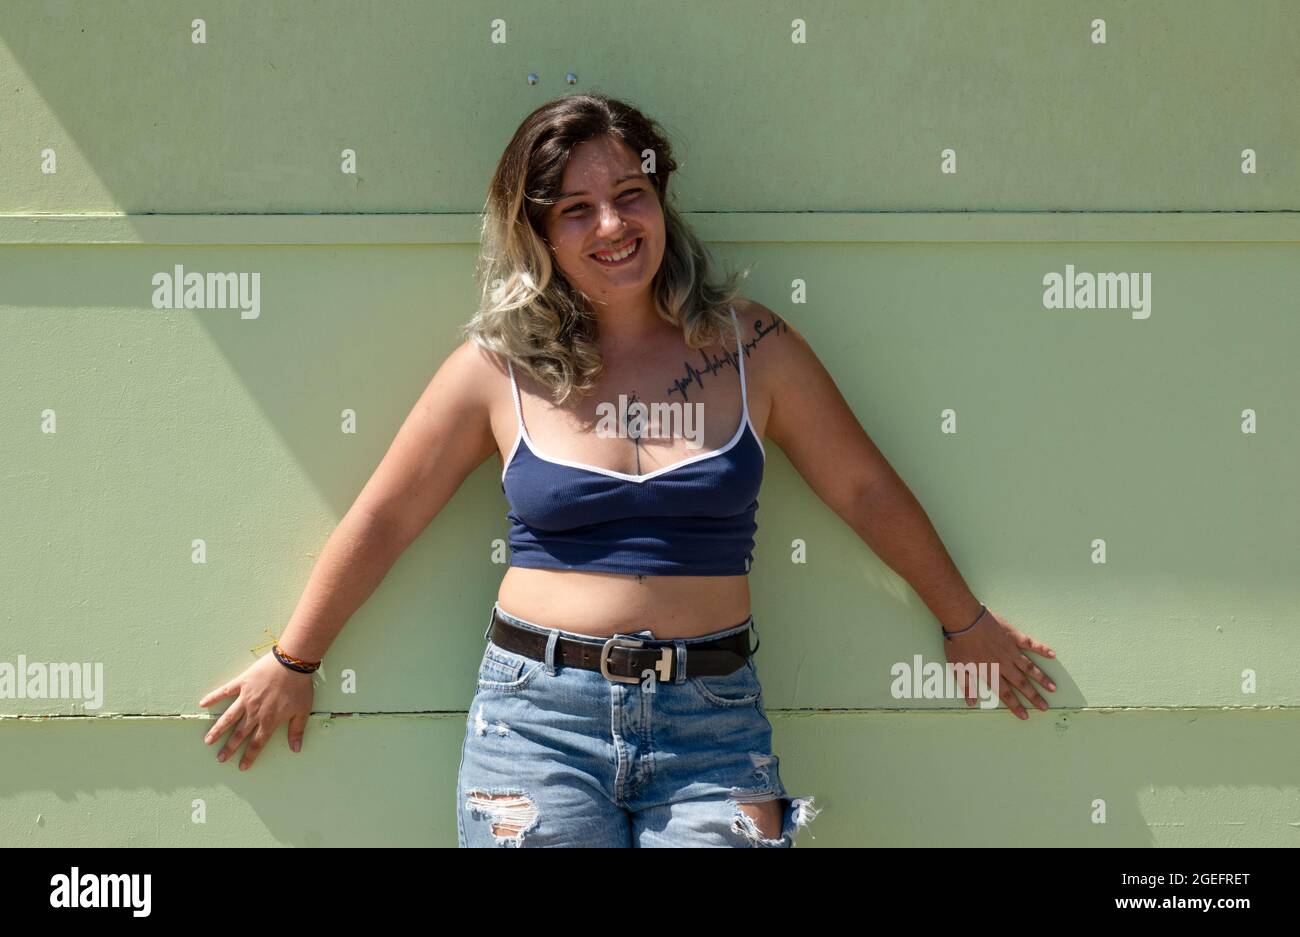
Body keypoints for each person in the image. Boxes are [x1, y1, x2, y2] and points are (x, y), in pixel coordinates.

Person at [199, 93, 1057, 847]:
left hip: (713, 723)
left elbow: (864, 488)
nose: (611, 226)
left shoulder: (752, 347)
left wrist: (962, 619)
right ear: (537, 231)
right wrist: (295, 658)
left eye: (629, 195)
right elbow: (387, 516)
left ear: (661, 201)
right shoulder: (495, 368)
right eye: (575, 208)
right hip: (535, 721)